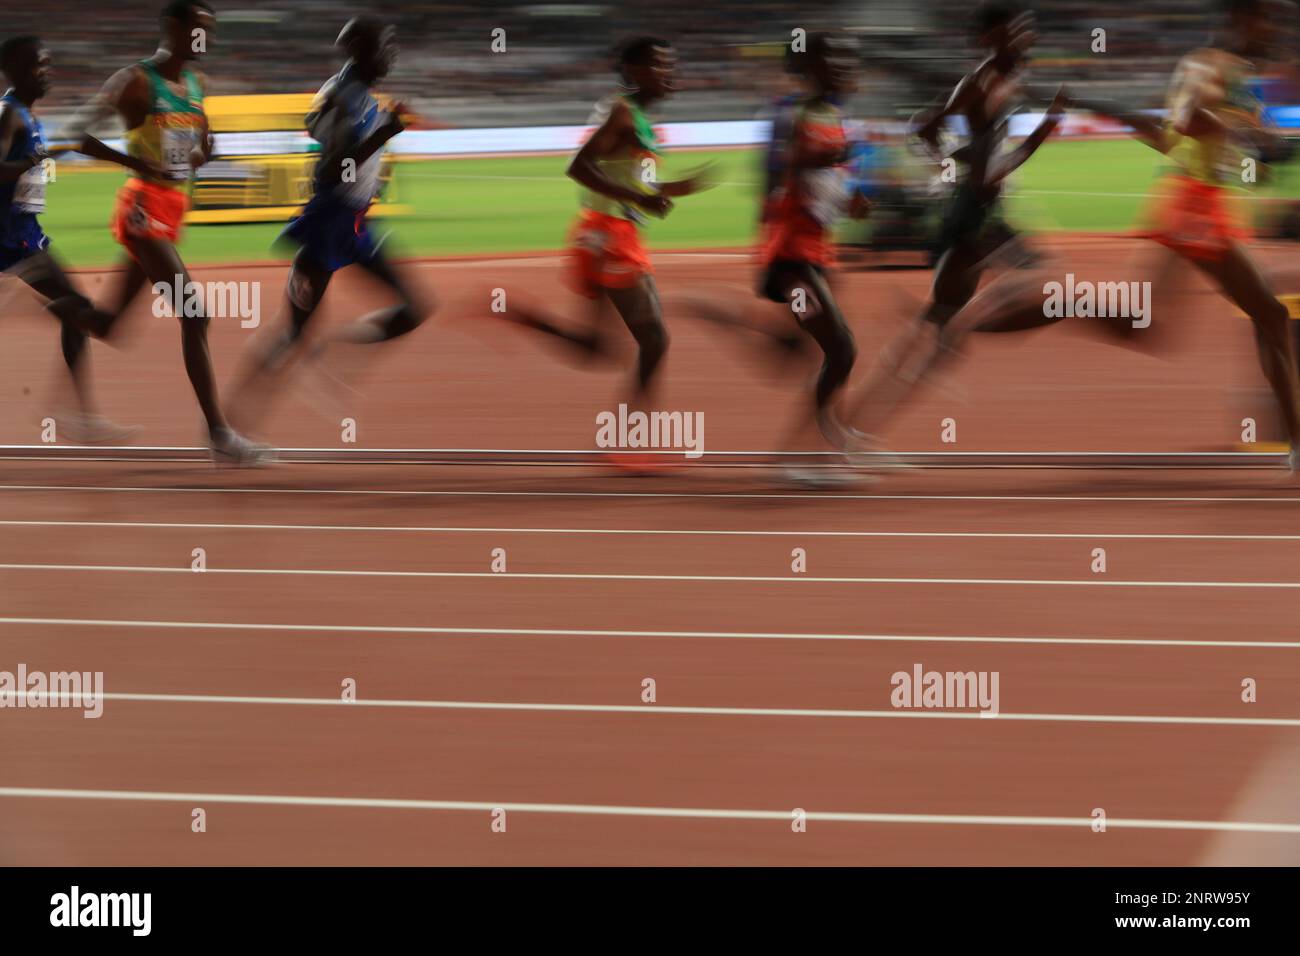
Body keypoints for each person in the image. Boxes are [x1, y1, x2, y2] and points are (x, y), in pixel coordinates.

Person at [488, 37, 713, 472]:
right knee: (654, 338)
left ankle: (519, 316)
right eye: (659, 66)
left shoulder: (639, 118)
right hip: (611, 236)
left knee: (595, 347)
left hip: (600, 234)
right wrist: (641, 199)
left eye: (672, 65)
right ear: (632, 71)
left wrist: (673, 189)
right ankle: (628, 443)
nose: (670, 74)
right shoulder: (624, 111)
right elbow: (579, 167)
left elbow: (634, 183)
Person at [67, 0, 270, 464]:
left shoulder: (199, 84)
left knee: (109, 324)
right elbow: (76, 134)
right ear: (173, 27)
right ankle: (220, 435)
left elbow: (197, 147)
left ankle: (55, 304)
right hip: (142, 210)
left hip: (171, 212)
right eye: (201, 29)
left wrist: (204, 152)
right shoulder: (135, 81)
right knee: (195, 314)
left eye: (212, 32)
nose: (208, 40)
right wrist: (136, 161)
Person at [226, 16, 433, 435]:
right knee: (292, 332)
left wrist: (381, 139)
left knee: (414, 309)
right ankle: (229, 427)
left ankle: (333, 350)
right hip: (329, 222)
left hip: (357, 223)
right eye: (383, 45)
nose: (391, 53)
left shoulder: (354, 92)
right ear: (361, 49)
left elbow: (335, 142)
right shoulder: (346, 96)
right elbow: (338, 167)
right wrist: (385, 134)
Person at [0, 35, 136, 443]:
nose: (47, 72)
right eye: (39, 65)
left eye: (49, 64)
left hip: (25, 234)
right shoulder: (10, 115)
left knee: (74, 312)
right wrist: (33, 161)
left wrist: (132, 163)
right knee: (76, 309)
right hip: (11, 239)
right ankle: (76, 416)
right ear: (17, 70)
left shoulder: (27, 115)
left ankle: (74, 414)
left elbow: (62, 152)